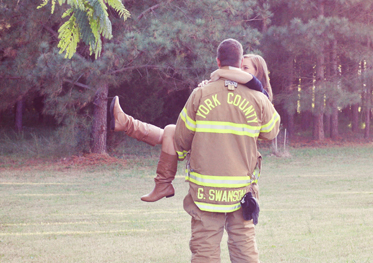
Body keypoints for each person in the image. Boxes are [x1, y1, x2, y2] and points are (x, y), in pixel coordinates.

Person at [174, 38, 280, 263]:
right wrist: (259, 94)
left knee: (205, 242)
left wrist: (177, 156)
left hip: (205, 191)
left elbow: (181, 137)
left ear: (218, 62)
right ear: (240, 61)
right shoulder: (256, 97)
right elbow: (271, 131)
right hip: (241, 189)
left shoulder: (201, 93)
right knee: (243, 238)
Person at [110, 52, 273, 202]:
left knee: (170, 132)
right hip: (210, 145)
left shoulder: (260, 96)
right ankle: (126, 124)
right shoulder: (233, 90)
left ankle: (162, 183)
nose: (239, 72)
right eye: (239, 67)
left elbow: (256, 90)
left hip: (226, 155)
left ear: (258, 73)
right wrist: (208, 88)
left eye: (245, 68)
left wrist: (221, 75)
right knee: (170, 132)